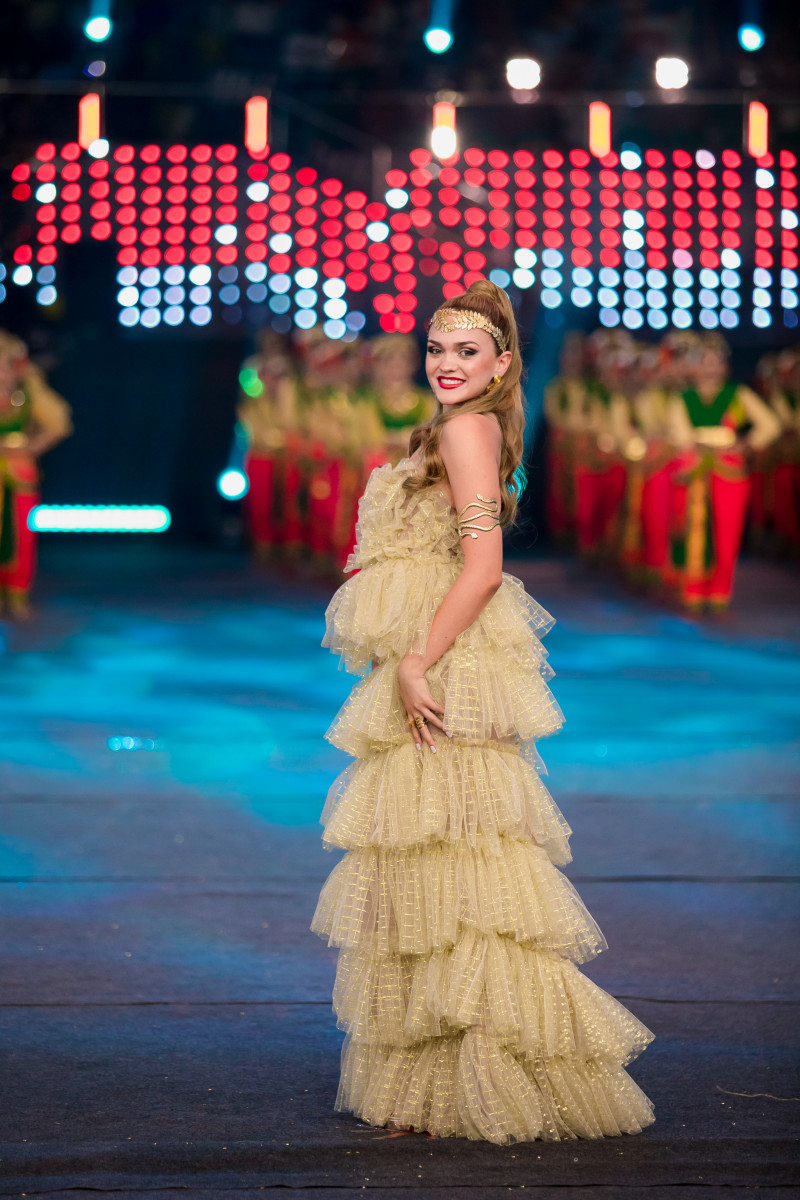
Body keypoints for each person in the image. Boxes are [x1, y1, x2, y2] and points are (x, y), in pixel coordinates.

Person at [311, 281, 656, 1142]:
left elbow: (484, 565)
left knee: (455, 872)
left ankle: (488, 1078)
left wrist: (420, 660)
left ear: (503, 364)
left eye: (468, 352)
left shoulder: (468, 429)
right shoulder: (454, 429)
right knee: (441, 871)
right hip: (437, 653)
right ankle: (443, 1083)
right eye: (436, 350)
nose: (447, 365)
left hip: (449, 661)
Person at [664, 332, 780, 609]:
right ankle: (694, 588)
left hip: (729, 471)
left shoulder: (737, 395)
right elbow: (678, 435)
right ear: (695, 367)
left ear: (725, 366)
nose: (710, 368)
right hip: (695, 470)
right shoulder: (684, 398)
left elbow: (770, 425)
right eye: (705, 362)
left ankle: (720, 590)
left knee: (727, 530)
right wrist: (697, 444)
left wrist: (745, 444)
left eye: (716, 362)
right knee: (693, 528)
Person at [0, 331, 72, 619]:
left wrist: (29, 448)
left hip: (18, 474)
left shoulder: (26, 391)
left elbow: (59, 423)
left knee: (19, 536)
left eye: (5, 365)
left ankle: (17, 596)